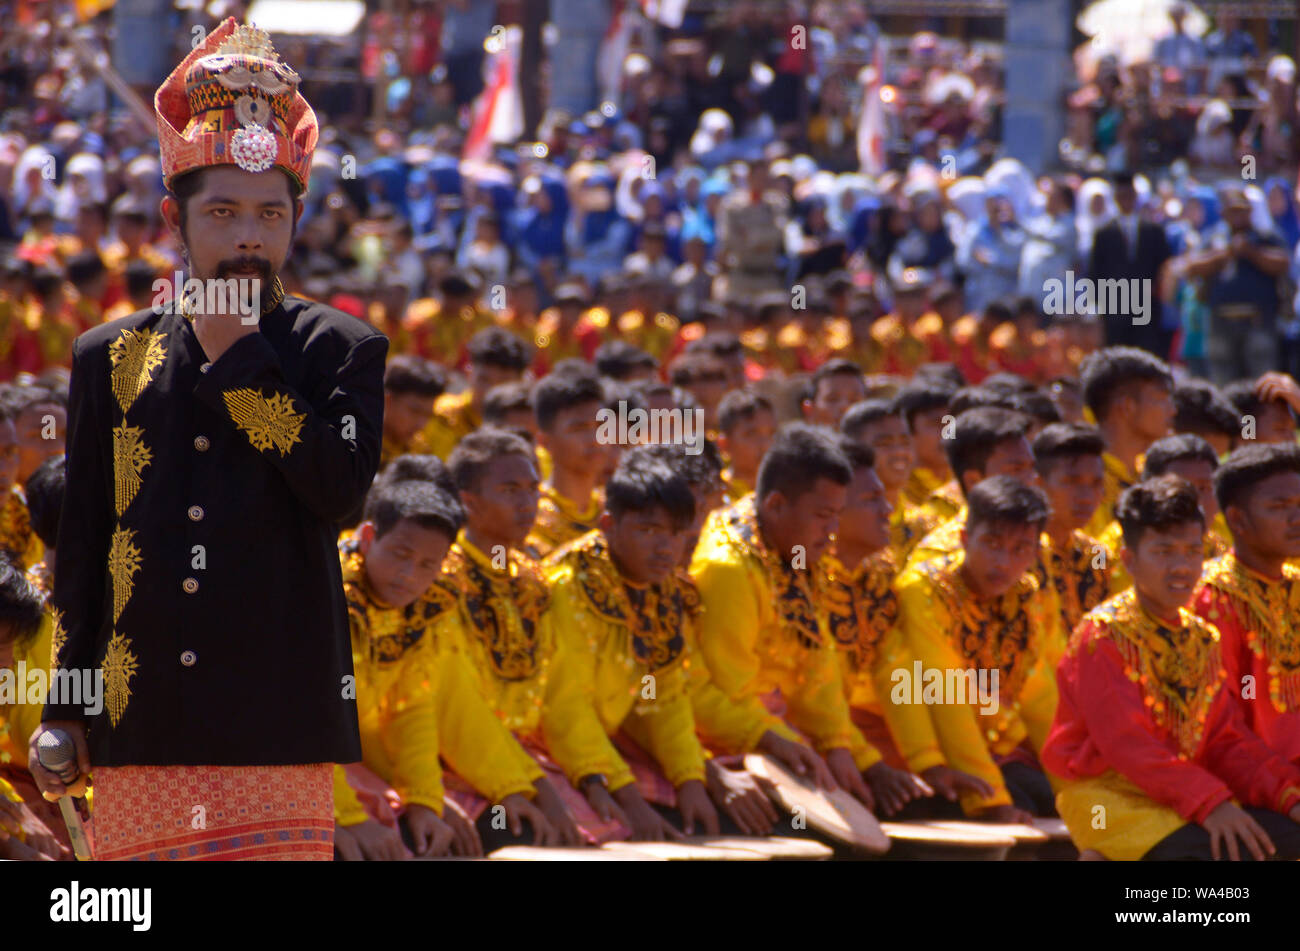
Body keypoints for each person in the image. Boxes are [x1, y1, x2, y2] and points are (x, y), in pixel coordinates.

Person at [30, 20, 389, 861]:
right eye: (222, 213)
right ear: (175, 218)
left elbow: (337, 493)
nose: (248, 237)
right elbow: (83, 545)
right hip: (137, 712)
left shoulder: (340, 347)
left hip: (276, 715)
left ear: (296, 221)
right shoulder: (108, 355)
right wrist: (64, 705)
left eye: (270, 214)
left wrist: (242, 362)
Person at [1043, 475, 1300, 860]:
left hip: (1182, 795)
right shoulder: (1104, 636)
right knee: (1216, 852)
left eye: (1192, 551)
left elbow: (1224, 740)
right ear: (1129, 559)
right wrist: (1210, 803)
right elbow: (1128, 745)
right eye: (1163, 552)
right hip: (1107, 798)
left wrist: (1288, 794)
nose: (1181, 567)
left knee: (1287, 834)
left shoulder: (1202, 637)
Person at [334, 476, 565, 860]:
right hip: (296, 762)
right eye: (401, 555)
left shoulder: (426, 607)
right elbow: (310, 719)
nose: (410, 575)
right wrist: (349, 816)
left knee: (480, 830)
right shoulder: (331, 596)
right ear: (370, 536)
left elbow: (411, 709)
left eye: (428, 564)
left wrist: (424, 801)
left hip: (362, 769)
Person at [438, 429, 622, 847]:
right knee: (521, 834)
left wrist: (595, 777)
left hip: (524, 760)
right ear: (468, 501)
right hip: (450, 761)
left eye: (532, 490)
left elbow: (560, 695)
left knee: (616, 828)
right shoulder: (440, 582)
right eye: (509, 490)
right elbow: (457, 708)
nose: (527, 503)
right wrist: (526, 789)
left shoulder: (532, 581)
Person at [689, 423, 882, 812]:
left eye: (837, 516)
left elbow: (816, 664)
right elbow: (728, 694)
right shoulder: (728, 568)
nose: (832, 532)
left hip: (774, 733)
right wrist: (778, 741)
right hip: (721, 738)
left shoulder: (795, 547)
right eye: (823, 515)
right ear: (776, 505)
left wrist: (841, 747)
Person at [543, 452, 721, 839]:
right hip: (546, 749)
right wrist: (627, 798)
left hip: (600, 752)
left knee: (705, 817)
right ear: (608, 525)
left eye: (676, 533)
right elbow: (565, 707)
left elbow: (662, 698)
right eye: (649, 530)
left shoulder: (662, 589)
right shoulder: (569, 586)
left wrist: (690, 778)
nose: (666, 547)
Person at [825, 438, 995, 814]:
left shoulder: (878, 573)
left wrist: (928, 764)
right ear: (831, 509)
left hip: (858, 742)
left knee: (946, 803)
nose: (889, 510)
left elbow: (895, 670)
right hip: (803, 743)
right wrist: (872, 766)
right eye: (872, 500)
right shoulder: (802, 576)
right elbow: (813, 696)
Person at [896, 476, 1060, 820]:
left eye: (1021, 549)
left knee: (1055, 803)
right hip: (914, 748)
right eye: (992, 543)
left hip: (985, 747)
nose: (1003, 562)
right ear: (964, 539)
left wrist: (1073, 787)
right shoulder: (924, 589)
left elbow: (1040, 698)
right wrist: (991, 803)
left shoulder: (1025, 596)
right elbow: (944, 692)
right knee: (1016, 810)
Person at [1193, 444, 1300, 766]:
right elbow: (1222, 725)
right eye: (1279, 506)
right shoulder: (1213, 599)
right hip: (1256, 776)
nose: (1296, 518)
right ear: (1237, 519)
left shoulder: (1295, 583)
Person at [906, 406, 1038, 569]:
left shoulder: (1038, 542)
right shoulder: (938, 560)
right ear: (973, 481)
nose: (1032, 480)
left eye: (1031, 468)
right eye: (1016, 470)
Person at [1079, 347, 1175, 538]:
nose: (1172, 410)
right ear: (1126, 407)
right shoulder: (1082, 478)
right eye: (1161, 399)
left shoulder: (1156, 475)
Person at [1032, 423, 1111, 643]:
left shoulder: (1098, 554)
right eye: (1072, 482)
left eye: (1096, 484)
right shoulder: (1020, 555)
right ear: (1038, 485)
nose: (1087, 497)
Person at [524, 371, 611, 560]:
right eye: (579, 429)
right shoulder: (528, 516)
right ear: (544, 442)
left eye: (600, 426)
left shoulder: (618, 509)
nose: (595, 439)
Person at [840, 399, 938, 559]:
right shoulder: (841, 528)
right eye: (885, 444)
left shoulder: (928, 525)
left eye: (905, 443)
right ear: (854, 452)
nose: (900, 452)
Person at [1086, 172, 1172, 354]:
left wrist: (1156, 289)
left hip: (1146, 307)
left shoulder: (1153, 230)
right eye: (1121, 195)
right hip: (1115, 307)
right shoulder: (1104, 232)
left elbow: (1165, 266)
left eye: (1129, 195)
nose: (1125, 199)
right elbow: (1096, 271)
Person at [414, 327, 531, 460]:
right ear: (469, 372)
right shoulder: (439, 415)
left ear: (521, 382)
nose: (491, 390)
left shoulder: (526, 427)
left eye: (503, 382)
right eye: (484, 379)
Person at [893, 376, 958, 508]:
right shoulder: (894, 491)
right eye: (936, 423)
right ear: (907, 430)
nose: (948, 433)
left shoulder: (965, 484)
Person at [379, 356, 446, 469]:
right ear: (388, 400)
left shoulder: (421, 454)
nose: (421, 424)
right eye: (415, 411)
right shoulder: (355, 442)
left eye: (427, 415)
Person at [715, 389, 776, 502]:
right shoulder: (716, 493)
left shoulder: (786, 492)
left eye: (771, 433)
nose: (766, 445)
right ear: (724, 444)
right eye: (752, 434)